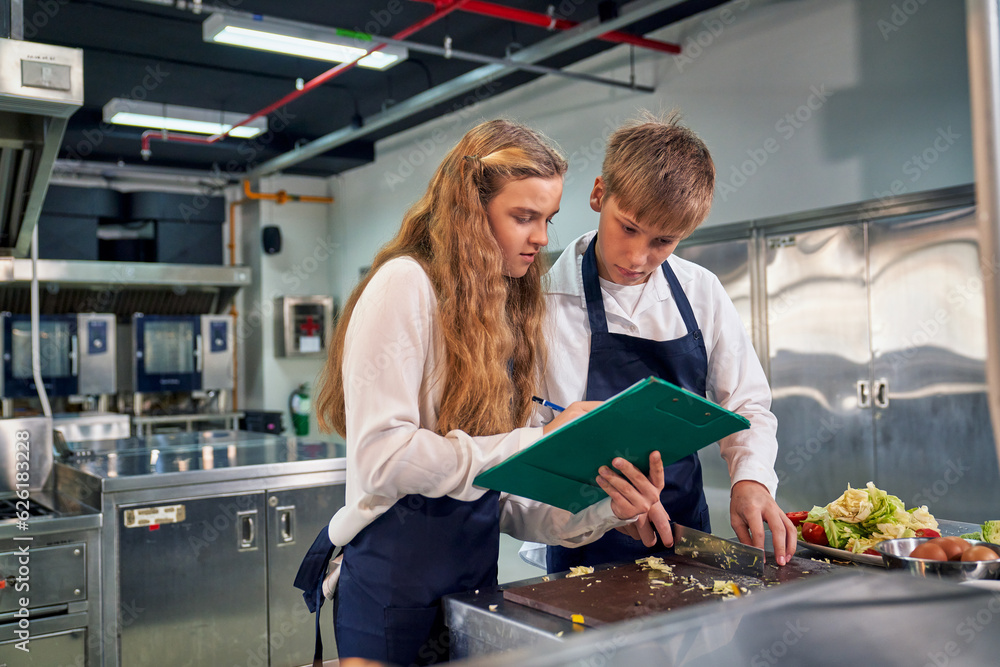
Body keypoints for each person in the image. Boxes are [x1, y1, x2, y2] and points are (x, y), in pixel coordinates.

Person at [308, 119, 672, 667]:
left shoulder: (502, 308)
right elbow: (383, 458)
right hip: (392, 584)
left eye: (547, 219)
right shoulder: (405, 285)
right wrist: (536, 439)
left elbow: (501, 499)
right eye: (523, 217)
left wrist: (605, 508)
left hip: (474, 582)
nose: (543, 237)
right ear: (469, 213)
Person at [537, 111, 797, 574]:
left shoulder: (700, 291)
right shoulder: (544, 301)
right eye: (629, 227)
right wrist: (608, 512)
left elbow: (747, 403)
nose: (638, 258)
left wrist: (751, 479)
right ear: (599, 194)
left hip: (683, 529)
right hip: (582, 533)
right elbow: (533, 436)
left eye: (663, 241)